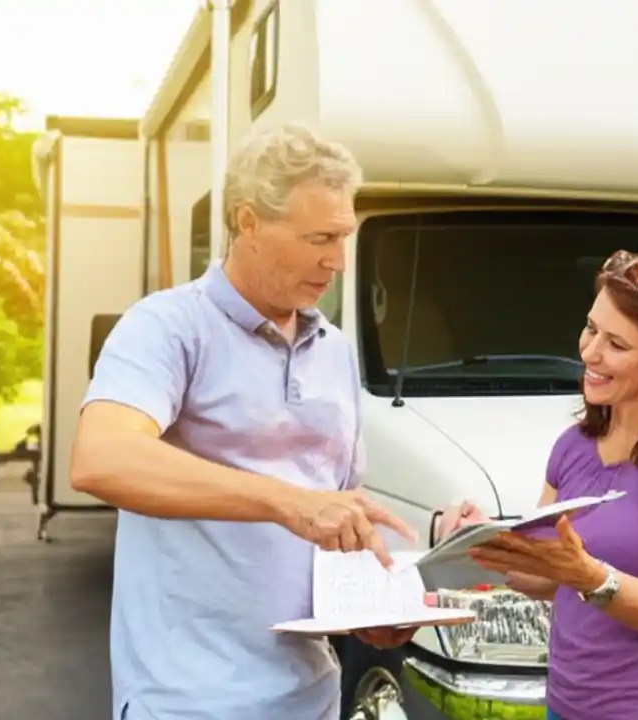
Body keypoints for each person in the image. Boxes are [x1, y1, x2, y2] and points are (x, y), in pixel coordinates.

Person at [69, 123, 418, 720]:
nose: (337, 261)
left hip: (312, 695)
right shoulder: (167, 326)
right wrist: (289, 502)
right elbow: (101, 458)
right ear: (248, 221)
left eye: (343, 237)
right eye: (319, 238)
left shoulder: (331, 347)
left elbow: (332, 501)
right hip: (187, 701)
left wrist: (372, 607)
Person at [437, 250, 638, 719]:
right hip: (567, 707)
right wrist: (486, 545)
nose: (590, 353)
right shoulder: (573, 446)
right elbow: (547, 576)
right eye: (590, 329)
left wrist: (588, 575)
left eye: (617, 345)